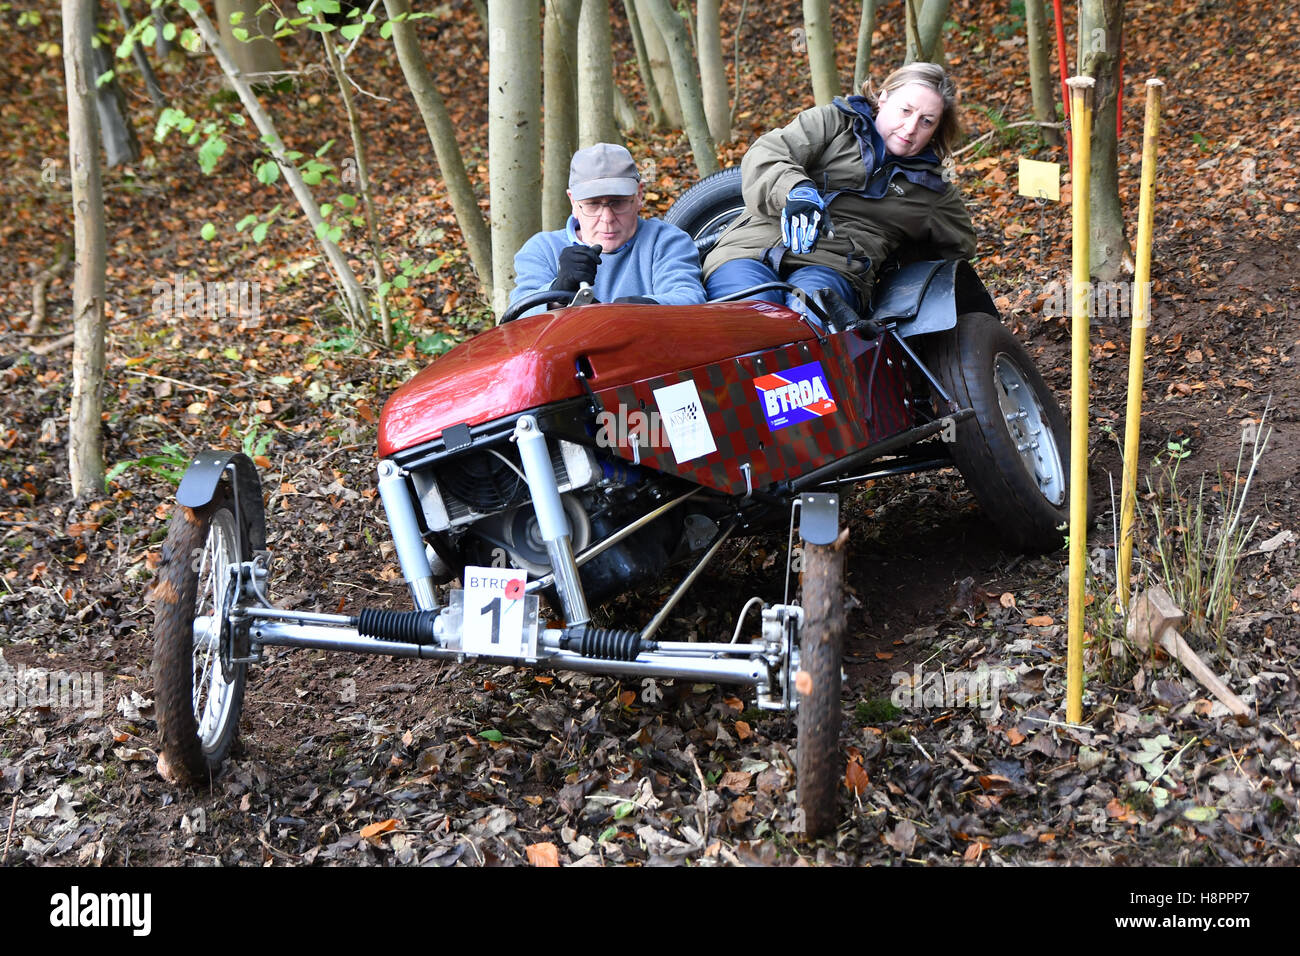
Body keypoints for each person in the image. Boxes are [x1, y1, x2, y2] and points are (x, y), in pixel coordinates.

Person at [702, 62, 977, 319]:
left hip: (832, 268)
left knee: (805, 324)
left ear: (936, 130)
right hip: (749, 249)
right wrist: (796, 191)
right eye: (905, 110)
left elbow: (958, 246)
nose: (910, 127)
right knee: (747, 317)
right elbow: (767, 153)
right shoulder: (834, 122)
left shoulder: (930, 187)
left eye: (926, 121)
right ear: (883, 99)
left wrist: (897, 266)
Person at [509, 143, 706, 312]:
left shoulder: (665, 241)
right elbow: (516, 318)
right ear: (573, 202)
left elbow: (690, 299)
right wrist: (555, 293)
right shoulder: (543, 249)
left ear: (639, 196)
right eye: (593, 204)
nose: (607, 218)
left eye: (618, 202)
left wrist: (644, 308)